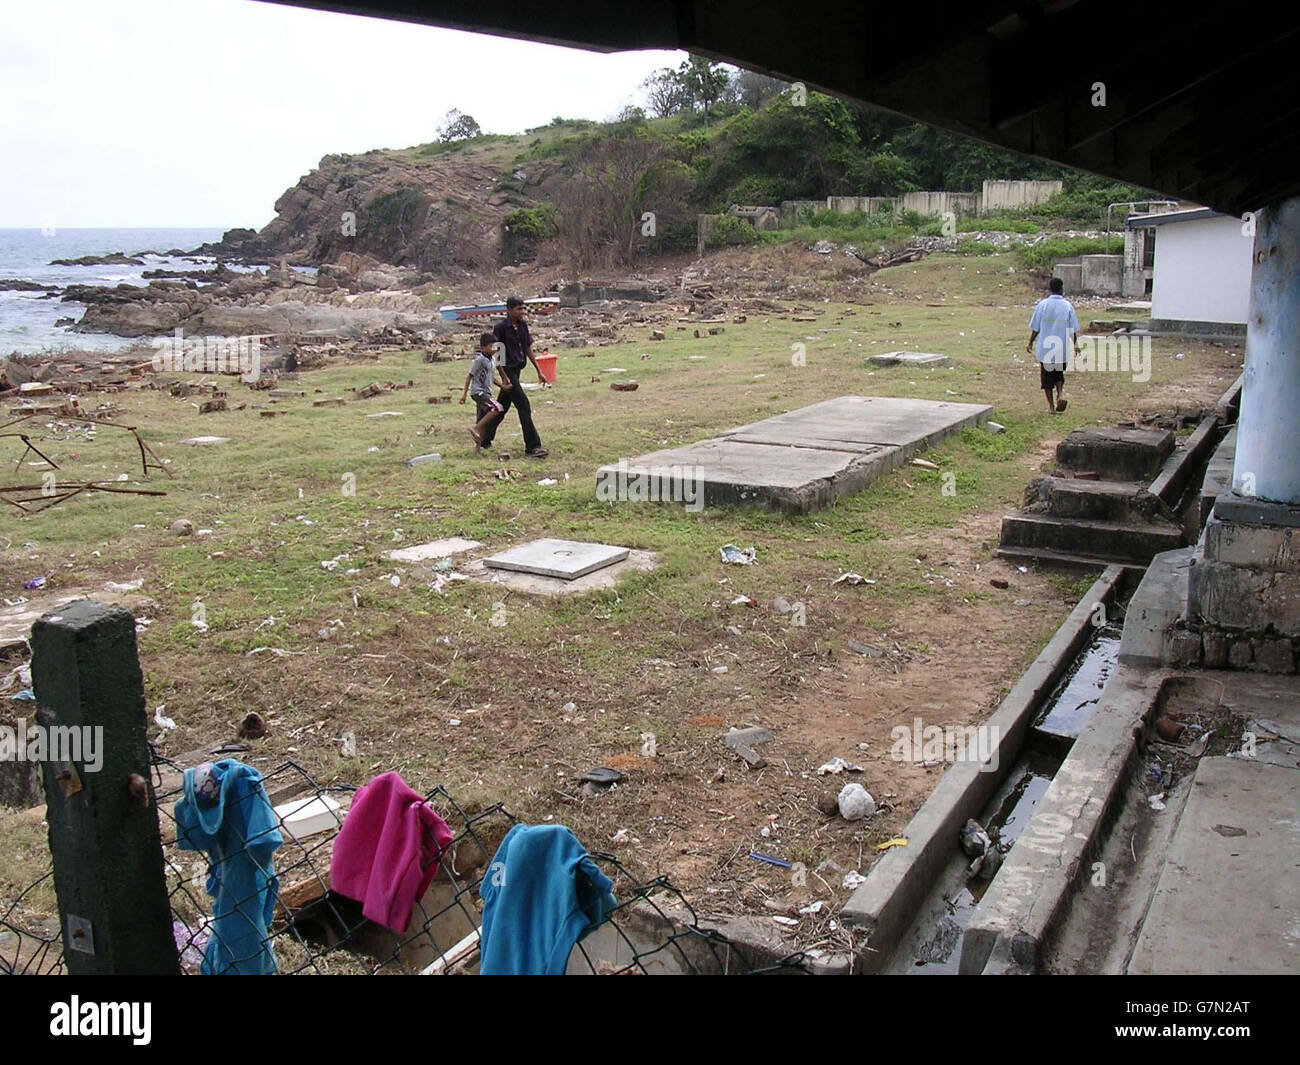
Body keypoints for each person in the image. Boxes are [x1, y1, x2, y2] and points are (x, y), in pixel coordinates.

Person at [479, 296, 549, 457]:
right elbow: (498, 355)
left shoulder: (523, 326)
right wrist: (504, 377)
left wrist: (539, 370)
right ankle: (533, 446)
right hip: (508, 371)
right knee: (524, 405)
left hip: (517, 369)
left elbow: (527, 348)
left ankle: (483, 437)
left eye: (524, 309)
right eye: (519, 309)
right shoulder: (501, 328)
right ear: (509, 310)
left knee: (502, 407)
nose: (522, 312)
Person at [1027, 276, 1080, 414]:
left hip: (1045, 349)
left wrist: (1030, 342)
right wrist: (1076, 344)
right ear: (1062, 289)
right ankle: (1060, 394)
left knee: (1046, 378)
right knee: (1059, 374)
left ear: (1050, 289)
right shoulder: (1067, 306)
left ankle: (1051, 406)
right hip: (1061, 347)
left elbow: (1036, 328)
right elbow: (1072, 329)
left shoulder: (1042, 305)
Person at [461, 332, 511, 452]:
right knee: (497, 408)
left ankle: (478, 448)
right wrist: (464, 395)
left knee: (482, 419)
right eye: (490, 346)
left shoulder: (492, 360)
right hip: (478, 392)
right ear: (483, 348)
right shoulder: (479, 360)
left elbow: (491, 377)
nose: (493, 349)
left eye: (494, 346)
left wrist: (503, 386)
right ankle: (475, 429)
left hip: (486, 393)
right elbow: (469, 376)